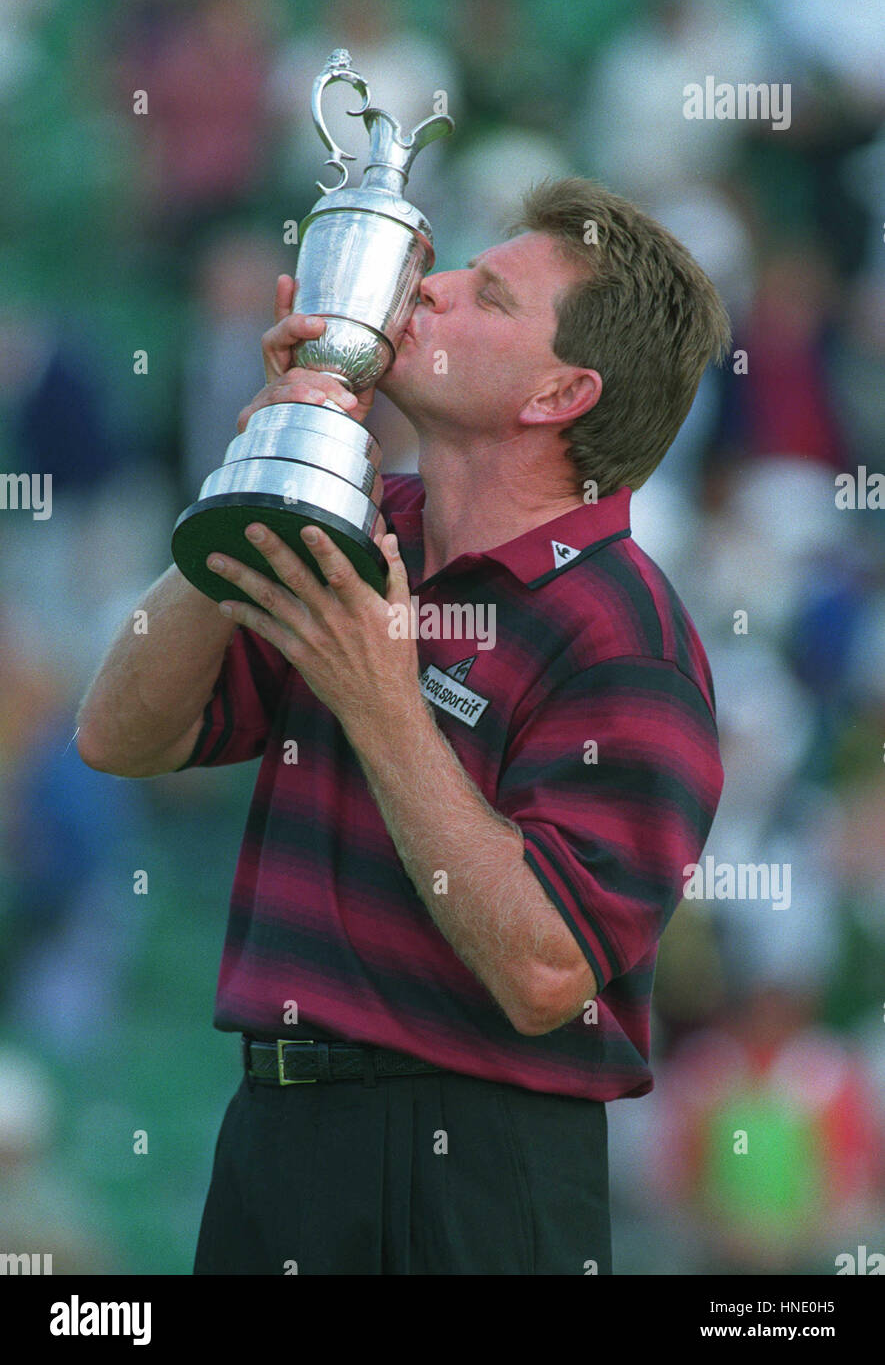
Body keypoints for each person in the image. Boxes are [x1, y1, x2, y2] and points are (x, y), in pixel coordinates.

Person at [76, 177, 730, 1275]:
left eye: (489, 297)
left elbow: (542, 972)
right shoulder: (366, 517)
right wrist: (274, 455)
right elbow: (121, 733)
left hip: (477, 1168)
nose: (428, 288)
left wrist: (381, 701)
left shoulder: (629, 636)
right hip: (275, 1136)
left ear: (561, 392)